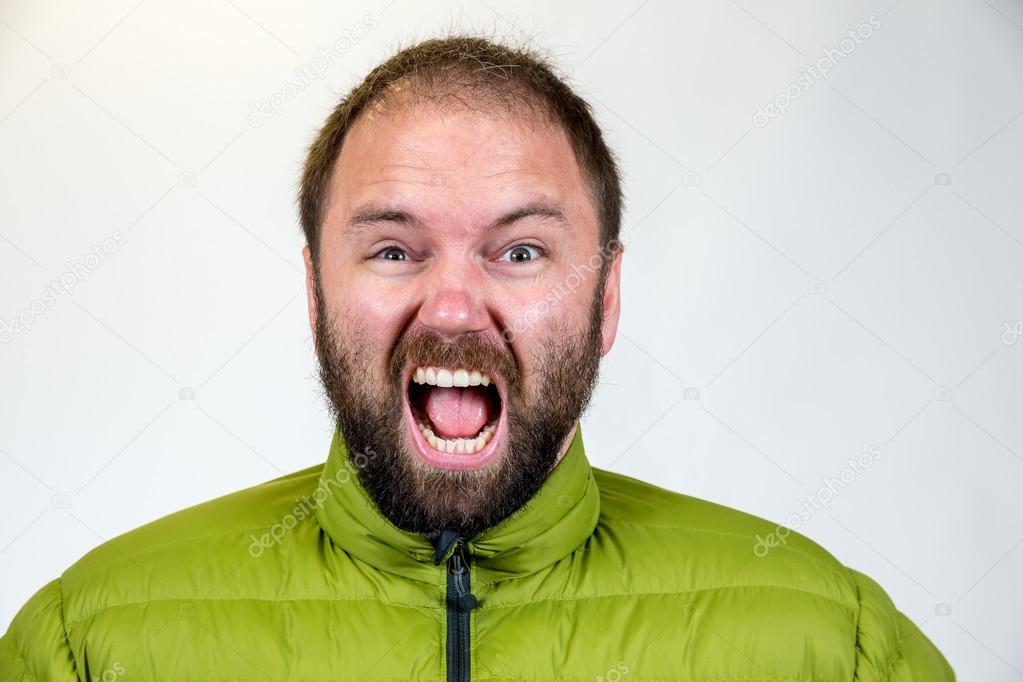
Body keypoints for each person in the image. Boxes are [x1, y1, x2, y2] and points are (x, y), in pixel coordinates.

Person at [0, 35, 954, 680]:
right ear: (315, 293)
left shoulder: (830, 644)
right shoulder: (89, 644)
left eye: (520, 251)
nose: (453, 308)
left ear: (606, 297)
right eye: (393, 250)